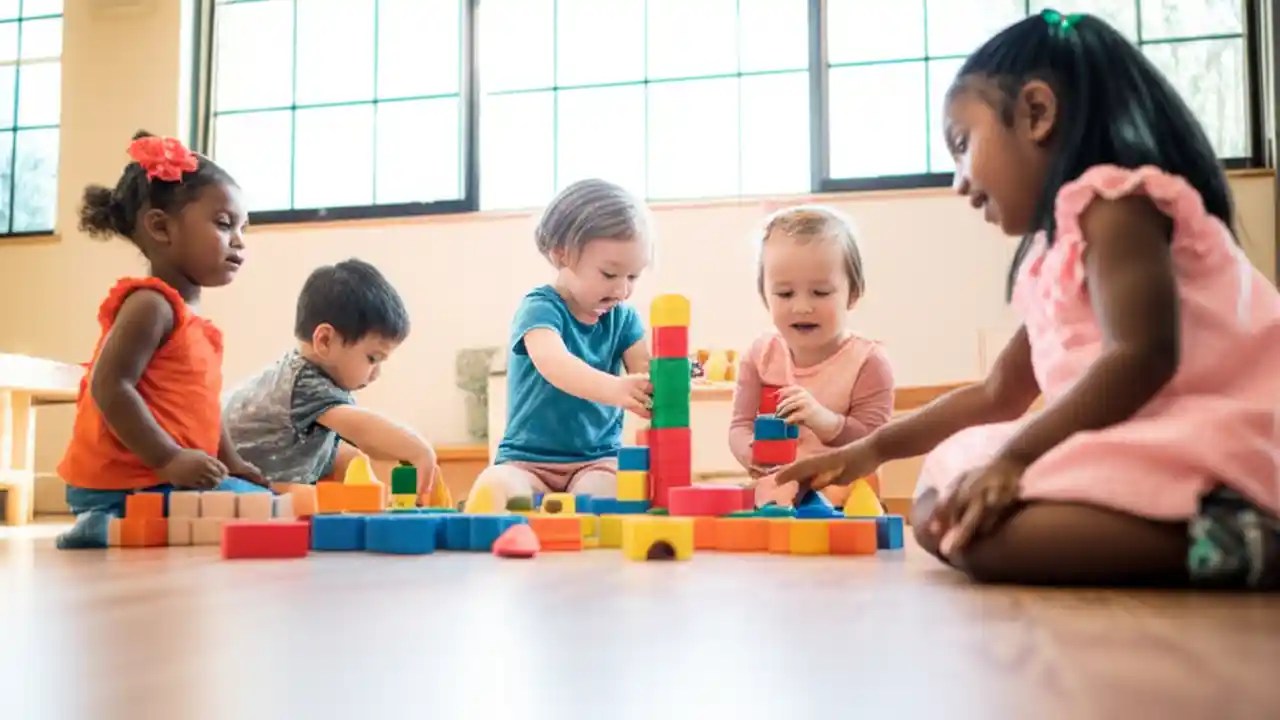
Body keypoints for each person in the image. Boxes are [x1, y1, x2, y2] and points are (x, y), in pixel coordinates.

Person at [778, 10, 1280, 589]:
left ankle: (1244, 538)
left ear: (1037, 113)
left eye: (963, 145)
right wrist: (871, 450)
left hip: (1217, 436)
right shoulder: (1059, 251)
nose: (958, 182)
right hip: (1147, 440)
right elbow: (999, 393)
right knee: (941, 507)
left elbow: (1142, 354)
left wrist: (1016, 460)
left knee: (976, 532)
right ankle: (1219, 537)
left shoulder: (1117, 204)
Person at [56, 131, 262, 549]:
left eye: (243, 227)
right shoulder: (151, 305)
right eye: (224, 224)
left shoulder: (192, 322)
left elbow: (201, 409)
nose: (239, 240)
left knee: (260, 502)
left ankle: (115, 524)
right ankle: (106, 525)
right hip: (129, 484)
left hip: (160, 481)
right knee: (259, 510)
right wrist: (167, 458)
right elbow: (108, 385)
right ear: (161, 228)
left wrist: (232, 460)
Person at [466, 179, 653, 509]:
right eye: (610, 275)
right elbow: (555, 364)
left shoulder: (623, 319)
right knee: (496, 487)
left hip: (597, 461)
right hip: (526, 461)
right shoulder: (540, 308)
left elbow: (647, 372)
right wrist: (617, 389)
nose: (623, 290)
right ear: (562, 255)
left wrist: (668, 380)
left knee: (606, 495)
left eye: (633, 277)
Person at [222, 258, 439, 501]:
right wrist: (419, 449)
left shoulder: (312, 386)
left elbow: (358, 447)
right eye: (372, 358)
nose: (376, 374)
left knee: (346, 456)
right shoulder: (304, 383)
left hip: (257, 477)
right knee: (304, 497)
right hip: (229, 484)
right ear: (324, 340)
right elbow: (364, 432)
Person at [728, 205, 894, 507]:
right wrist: (752, 452)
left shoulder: (868, 361)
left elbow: (874, 442)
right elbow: (740, 426)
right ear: (765, 295)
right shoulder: (759, 356)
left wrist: (825, 421)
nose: (802, 307)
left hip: (843, 494)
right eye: (785, 294)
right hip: (778, 491)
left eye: (820, 292)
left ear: (853, 293)